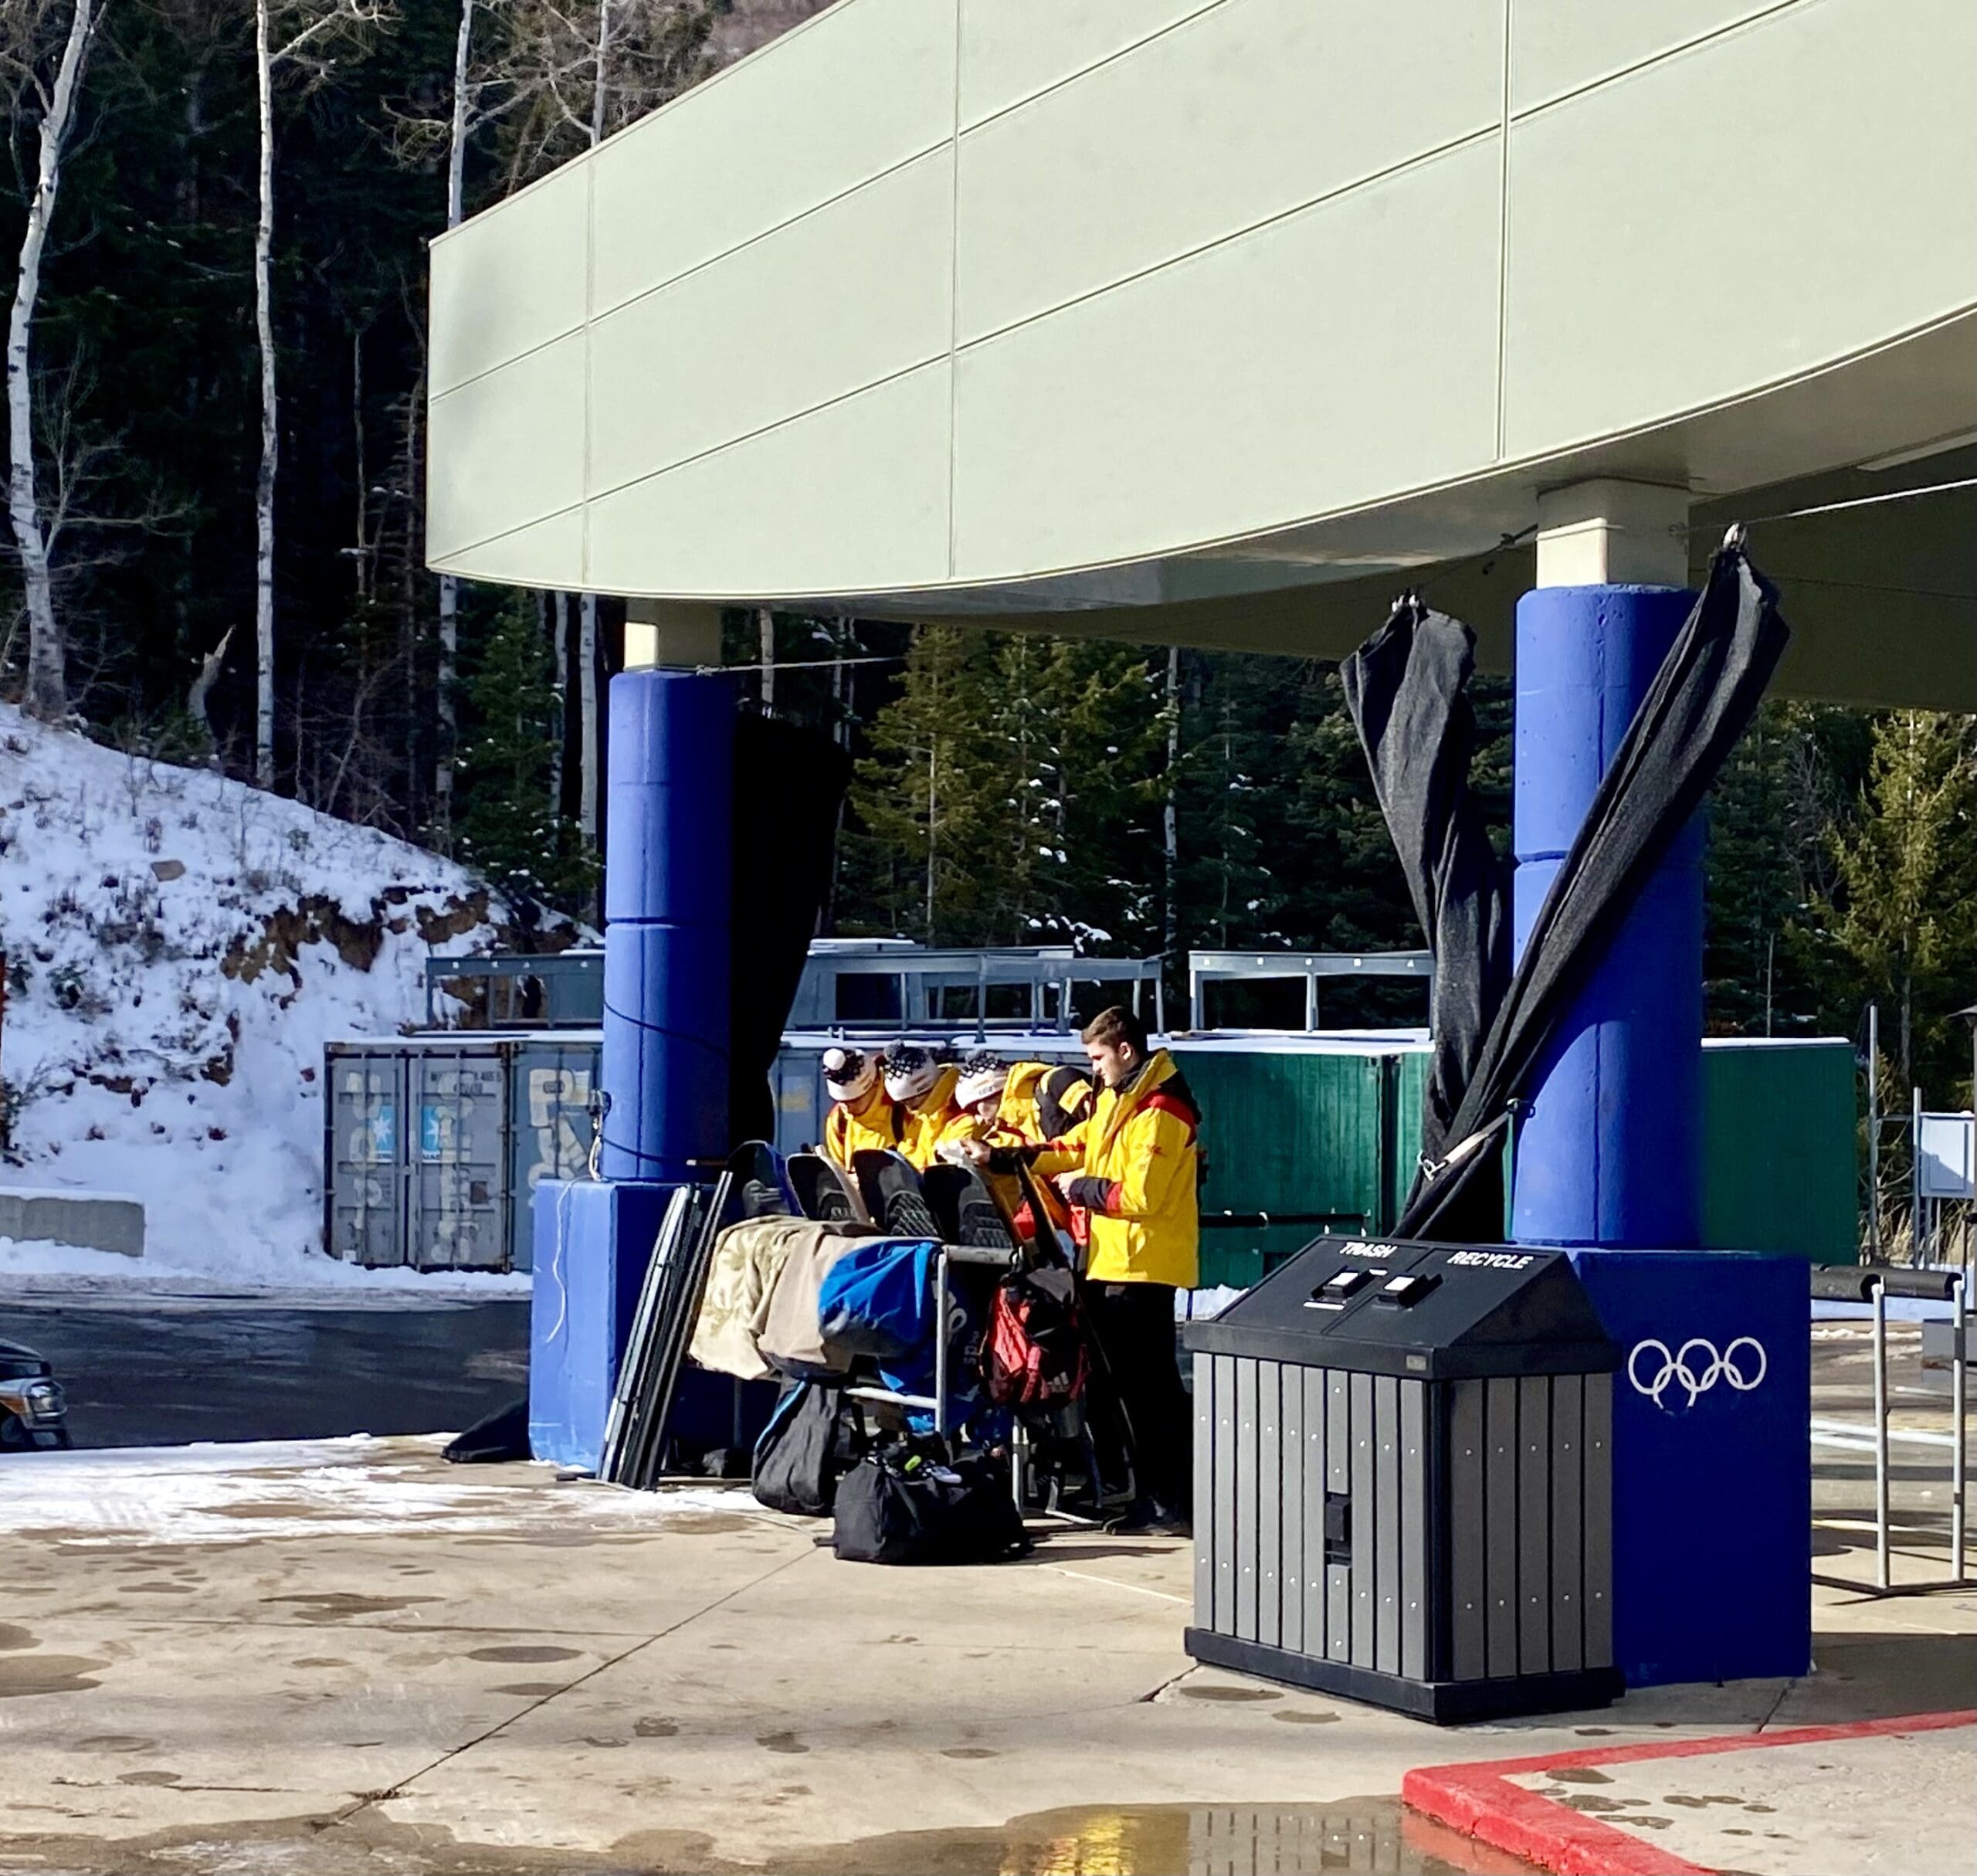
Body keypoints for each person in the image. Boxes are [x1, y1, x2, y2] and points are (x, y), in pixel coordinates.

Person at [1039, 1005, 1200, 1536]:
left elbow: (1143, 1194)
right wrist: (1014, 1155)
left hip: (1143, 1265)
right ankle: (1157, 1495)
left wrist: (1081, 1188)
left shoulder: (1161, 1108)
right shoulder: (1116, 1098)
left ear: (1125, 1050)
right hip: (1114, 1259)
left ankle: (1171, 1499)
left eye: (1098, 1056)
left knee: (1150, 1388)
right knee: (1130, 1387)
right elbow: (1076, 1144)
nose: (1094, 1068)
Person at [883, 1042, 960, 1171]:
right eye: (904, 1103)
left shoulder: (959, 1109)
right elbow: (909, 1152)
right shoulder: (924, 1114)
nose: (909, 1108)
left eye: (910, 1101)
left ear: (925, 1088)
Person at [819, 1046, 896, 1171]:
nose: (847, 1109)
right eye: (842, 1102)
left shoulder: (904, 1111)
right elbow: (841, 1176)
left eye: (854, 1101)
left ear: (874, 1085)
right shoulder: (839, 1121)